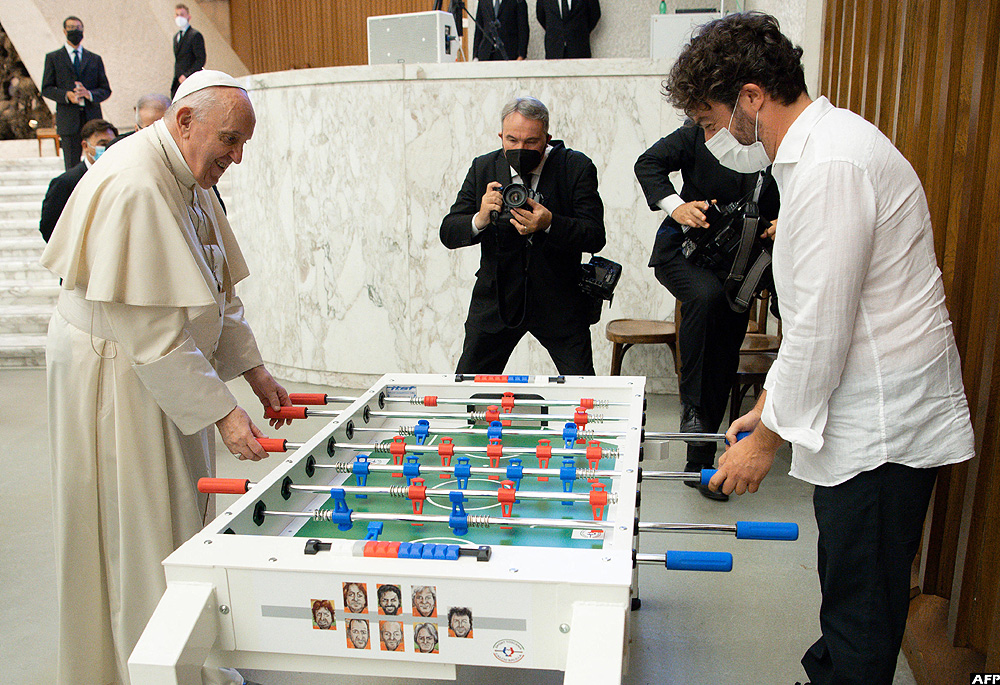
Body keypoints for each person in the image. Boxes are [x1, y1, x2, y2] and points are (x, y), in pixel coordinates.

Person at [664, 13, 975, 685]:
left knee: (862, 608)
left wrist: (765, 439)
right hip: (861, 411)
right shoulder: (818, 154)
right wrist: (772, 403)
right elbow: (811, 314)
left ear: (751, 97)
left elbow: (825, 325)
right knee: (851, 583)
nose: (715, 138)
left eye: (714, 120)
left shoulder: (832, 164)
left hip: (882, 424)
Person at [40, 69, 292, 685]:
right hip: (115, 376)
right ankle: (146, 666)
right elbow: (150, 330)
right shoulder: (135, 184)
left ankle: (191, 658)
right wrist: (225, 413)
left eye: (242, 144)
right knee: (141, 524)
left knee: (182, 510)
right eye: (229, 140)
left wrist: (254, 374)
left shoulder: (190, 174)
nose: (235, 157)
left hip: (165, 372)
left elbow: (216, 288)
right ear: (185, 121)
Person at [634, 121, 780, 501]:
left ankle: (699, 463)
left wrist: (788, 220)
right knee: (705, 298)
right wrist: (676, 206)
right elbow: (647, 163)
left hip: (743, 266)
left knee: (723, 353)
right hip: (685, 254)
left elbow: (803, 190)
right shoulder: (700, 131)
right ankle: (692, 413)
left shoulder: (779, 139)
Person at [441, 96, 605, 375]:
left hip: (560, 300)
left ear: (547, 138)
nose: (520, 148)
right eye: (512, 140)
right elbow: (449, 231)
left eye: (531, 142)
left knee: (582, 392)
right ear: (501, 136)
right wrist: (480, 218)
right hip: (496, 300)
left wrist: (550, 222)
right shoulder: (484, 168)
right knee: (469, 389)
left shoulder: (574, 167)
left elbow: (594, 235)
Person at [40, 16, 112, 170]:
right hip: (68, 120)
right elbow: (46, 88)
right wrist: (67, 96)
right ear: (65, 31)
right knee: (71, 166)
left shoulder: (94, 59)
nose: (75, 31)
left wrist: (89, 94)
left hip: (92, 118)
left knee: (98, 164)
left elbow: (106, 90)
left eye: (78, 28)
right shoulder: (53, 58)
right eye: (72, 28)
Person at [39, 118, 117, 242]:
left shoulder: (119, 176)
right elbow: (49, 227)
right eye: (102, 144)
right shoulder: (66, 182)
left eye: (112, 144)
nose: (108, 148)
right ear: (86, 146)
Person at [536, 0, 600, 59]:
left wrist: (581, 32)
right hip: (554, 51)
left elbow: (595, 14)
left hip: (579, 50)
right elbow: (541, 16)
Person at [171, 3, 206, 97]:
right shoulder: (176, 37)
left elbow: (200, 59)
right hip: (178, 81)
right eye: (177, 15)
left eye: (182, 15)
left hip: (191, 80)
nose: (179, 18)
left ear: (188, 17)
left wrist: (187, 75)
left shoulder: (195, 35)